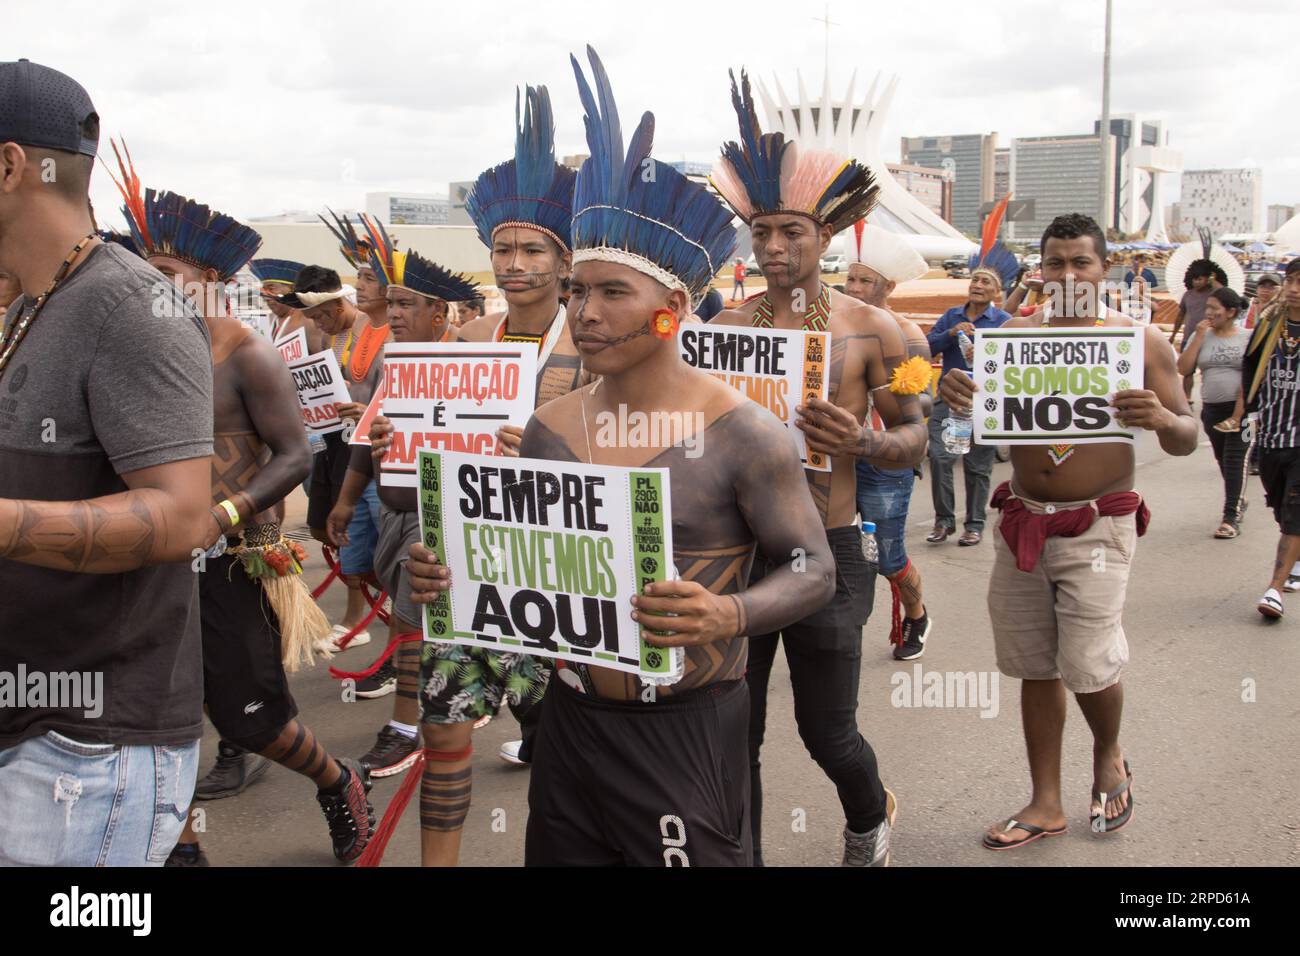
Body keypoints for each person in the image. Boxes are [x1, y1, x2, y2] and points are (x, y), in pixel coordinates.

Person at [405, 47, 836, 867]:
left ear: (672, 309)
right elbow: (526, 566)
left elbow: (813, 569)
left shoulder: (745, 433)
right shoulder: (552, 426)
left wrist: (729, 613)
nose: (586, 312)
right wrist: (451, 572)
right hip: (569, 727)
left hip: (687, 729)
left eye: (611, 294)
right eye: (578, 292)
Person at [104, 148, 376, 867]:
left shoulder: (247, 353)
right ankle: (182, 843)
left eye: (164, 278)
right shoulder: (130, 352)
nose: (148, 290)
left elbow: (294, 454)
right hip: (146, 559)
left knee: (252, 718)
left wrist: (222, 516)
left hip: (229, 562)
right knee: (157, 714)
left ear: (212, 281)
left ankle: (336, 779)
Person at [709, 69, 928, 866]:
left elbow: (917, 436)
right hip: (732, 555)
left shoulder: (881, 332)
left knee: (826, 731)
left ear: (825, 237)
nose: (773, 247)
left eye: (790, 232)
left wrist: (864, 442)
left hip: (829, 548)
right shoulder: (723, 328)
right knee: (735, 729)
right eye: (761, 232)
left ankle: (869, 815)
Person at [0, 62, 212, 867]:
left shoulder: (129, 307)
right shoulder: (32, 300)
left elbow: (182, 514)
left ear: (10, 164)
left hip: (88, 751)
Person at [939, 213, 1197, 849]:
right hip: (1024, 521)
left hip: (1100, 527)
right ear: (1040, 271)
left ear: (1104, 268)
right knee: (1035, 665)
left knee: (1088, 661)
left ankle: (1108, 754)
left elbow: (1189, 437)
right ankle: (1045, 802)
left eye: (1081, 262)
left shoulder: (1140, 343)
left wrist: (1162, 415)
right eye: (1055, 263)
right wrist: (956, 398)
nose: (1067, 275)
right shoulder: (1013, 338)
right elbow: (969, 424)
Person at [328, 247, 477, 795]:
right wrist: (346, 501)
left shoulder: (469, 363)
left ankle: (405, 727)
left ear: (439, 314)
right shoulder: (399, 361)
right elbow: (372, 436)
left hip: (437, 522)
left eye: (406, 303)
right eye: (390, 302)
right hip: (393, 513)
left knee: (415, 623)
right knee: (408, 619)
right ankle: (482, 703)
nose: (393, 313)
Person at [284, 263, 386, 659]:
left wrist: (368, 412)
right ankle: (357, 616)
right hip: (343, 451)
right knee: (352, 541)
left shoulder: (377, 330)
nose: (318, 322)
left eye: (322, 314)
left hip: (376, 455)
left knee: (384, 545)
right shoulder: (329, 336)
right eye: (312, 317)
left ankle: (397, 635)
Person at [843, 220, 934, 659]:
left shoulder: (907, 334)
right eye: (851, 278)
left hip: (886, 462)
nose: (855, 287)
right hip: (837, 455)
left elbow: (926, 404)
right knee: (833, 547)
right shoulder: (834, 326)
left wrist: (896, 409)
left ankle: (916, 615)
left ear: (888, 286)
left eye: (866, 280)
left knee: (887, 557)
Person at [924, 250, 1014, 546]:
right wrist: (951, 333)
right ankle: (944, 521)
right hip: (952, 402)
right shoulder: (952, 315)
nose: (978, 285)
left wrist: (988, 353)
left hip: (983, 404)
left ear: (997, 291)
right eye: (975, 279)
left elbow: (1014, 363)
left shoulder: (1004, 321)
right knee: (941, 457)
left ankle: (974, 524)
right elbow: (928, 346)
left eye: (985, 282)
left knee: (977, 466)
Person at [1243, 259, 1300, 618]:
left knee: (1295, 513)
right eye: (1291, 280)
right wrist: (1248, 411)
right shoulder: (1270, 323)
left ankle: (1274, 589)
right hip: (1272, 436)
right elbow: (1250, 364)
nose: (1294, 288)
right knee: (1282, 511)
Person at [1175, 287, 1251, 539]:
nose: (1208, 313)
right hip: (1212, 410)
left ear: (1230, 312)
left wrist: (1242, 408)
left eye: (1214, 309)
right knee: (1223, 460)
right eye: (1207, 308)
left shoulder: (1248, 337)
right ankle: (1238, 499)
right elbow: (1183, 367)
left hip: (1243, 411)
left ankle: (1231, 518)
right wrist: (1197, 337)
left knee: (1234, 460)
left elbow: (1255, 373)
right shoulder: (1203, 335)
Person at [249, 257, 323, 348]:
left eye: (271, 288)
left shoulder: (309, 321)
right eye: (264, 290)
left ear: (292, 289)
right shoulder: (265, 322)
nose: (266, 296)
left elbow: (322, 359)